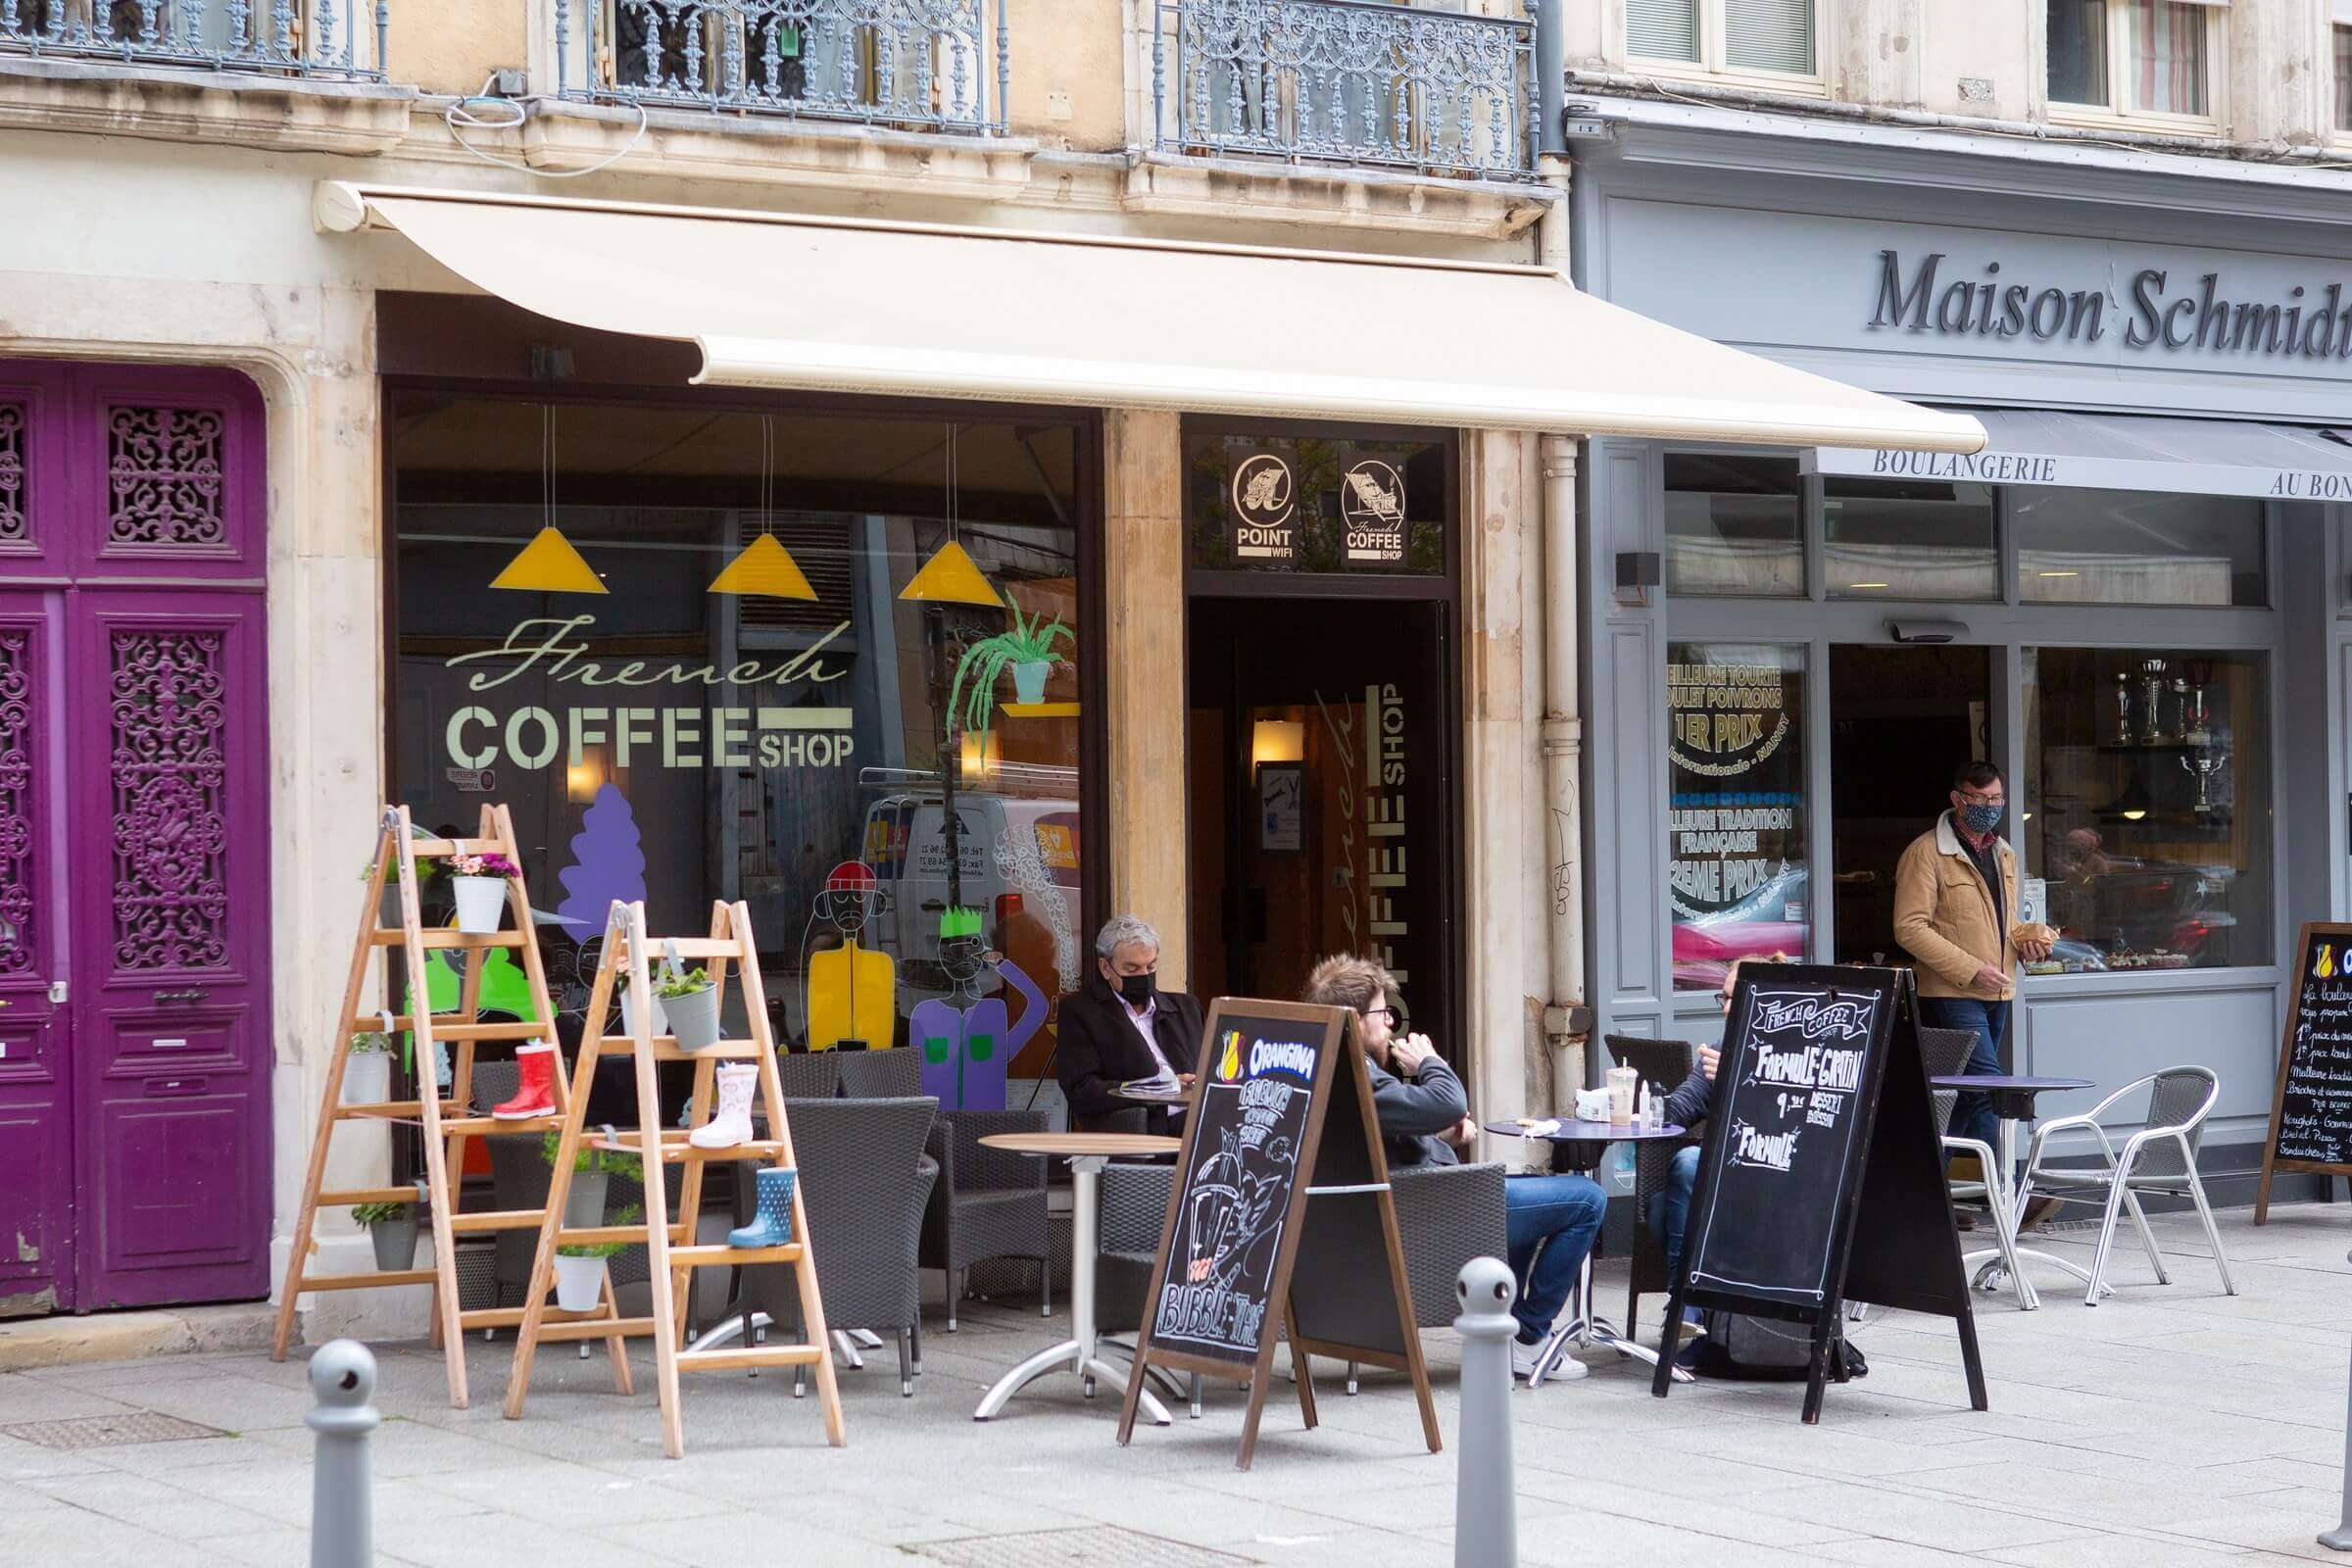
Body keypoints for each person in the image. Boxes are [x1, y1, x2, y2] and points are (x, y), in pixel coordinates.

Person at [1303, 955, 1607, 1382]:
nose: (1390, 1023)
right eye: (1382, 1012)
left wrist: (1438, 1137)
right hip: (1438, 1213)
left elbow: (1382, 1141)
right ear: (1354, 1019)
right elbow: (1450, 1102)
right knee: (1587, 1199)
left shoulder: (1323, 1066)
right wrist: (1429, 1063)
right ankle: (1528, 1339)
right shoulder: (1357, 1074)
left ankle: (1506, 1332)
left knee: (1526, 1192)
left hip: (1423, 1201)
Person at [1893, 761, 2052, 1151]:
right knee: (1987, 1088)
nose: (1989, 805)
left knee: (1962, 1098)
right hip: (1950, 994)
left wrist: (2028, 942)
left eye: (1996, 798)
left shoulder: (2004, 853)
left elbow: (2005, 921)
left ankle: (1942, 1194)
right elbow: (1909, 927)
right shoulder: (1926, 852)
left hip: (1997, 992)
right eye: (1979, 798)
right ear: (1957, 799)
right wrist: (1971, 969)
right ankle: (2005, 1190)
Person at [1055, 915, 1202, 1134]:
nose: (1144, 976)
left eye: (1151, 967)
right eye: (1132, 969)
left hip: (1201, 1121)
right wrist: (1157, 1090)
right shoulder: (1082, 1012)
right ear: (1106, 968)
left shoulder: (1186, 1008)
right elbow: (1082, 1091)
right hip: (1143, 1129)